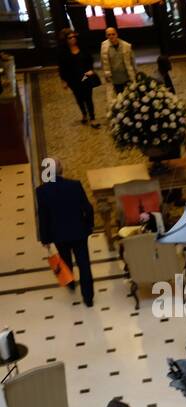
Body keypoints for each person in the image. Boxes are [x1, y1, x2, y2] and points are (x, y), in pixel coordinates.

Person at [35, 158, 96, 308]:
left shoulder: (42, 192)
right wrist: (88, 227)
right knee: (84, 264)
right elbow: (87, 208)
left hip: (58, 234)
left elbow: (43, 217)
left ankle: (70, 283)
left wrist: (45, 238)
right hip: (78, 232)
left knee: (65, 259)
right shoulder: (75, 185)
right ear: (61, 169)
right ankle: (88, 298)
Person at [56, 28, 99, 128]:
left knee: (88, 97)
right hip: (73, 79)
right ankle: (84, 114)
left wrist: (91, 70)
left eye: (74, 37)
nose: (73, 39)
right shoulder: (62, 52)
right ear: (65, 40)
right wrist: (63, 81)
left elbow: (90, 59)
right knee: (79, 97)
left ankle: (92, 118)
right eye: (70, 38)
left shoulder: (82, 47)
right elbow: (62, 67)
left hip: (85, 76)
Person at [99, 27, 135, 97]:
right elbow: (103, 62)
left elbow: (132, 61)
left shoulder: (126, 46)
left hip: (127, 77)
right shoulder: (104, 47)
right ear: (106, 36)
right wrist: (105, 74)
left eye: (113, 34)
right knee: (119, 98)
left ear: (117, 34)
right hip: (114, 79)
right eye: (109, 35)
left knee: (130, 96)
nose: (111, 36)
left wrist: (135, 73)